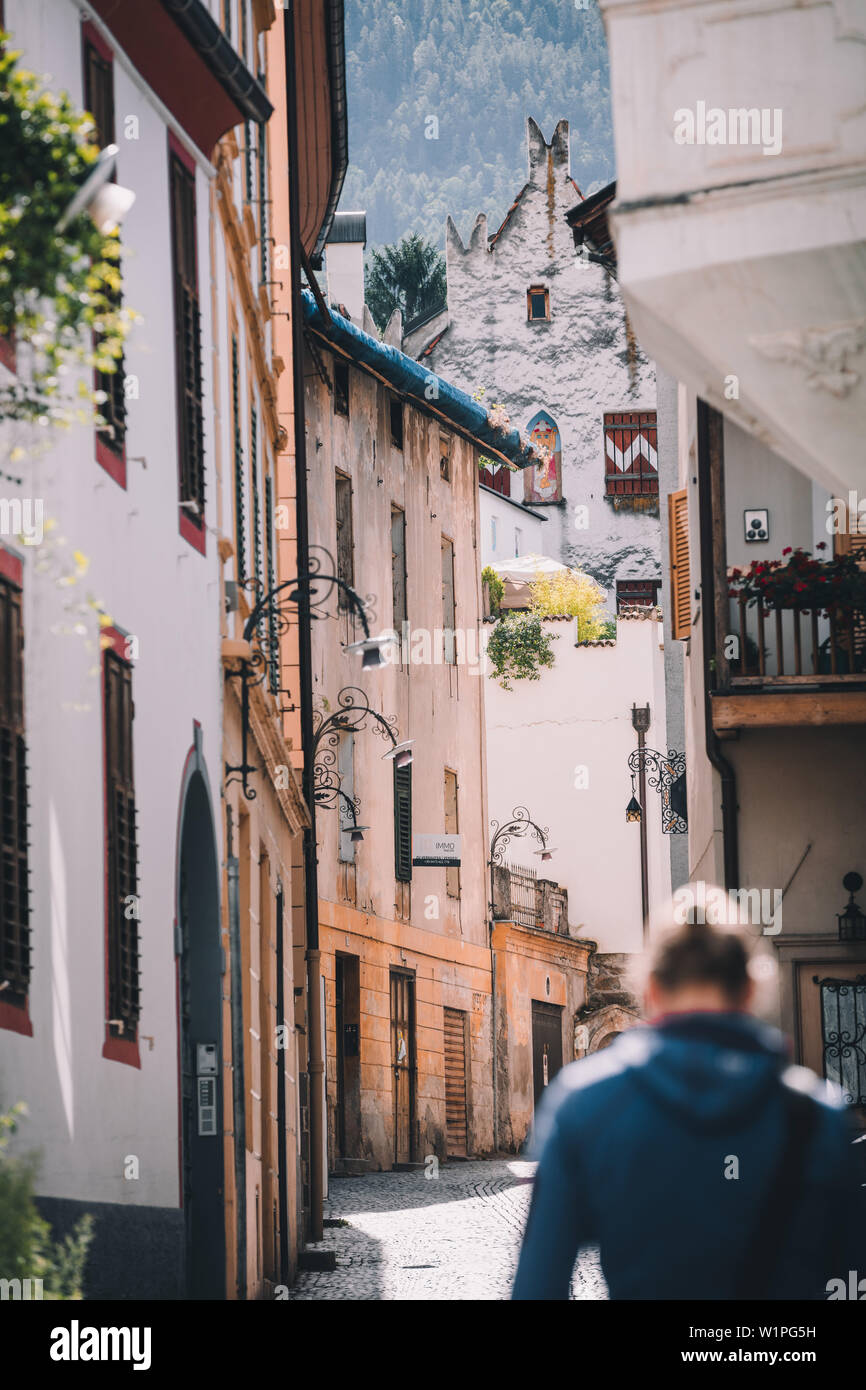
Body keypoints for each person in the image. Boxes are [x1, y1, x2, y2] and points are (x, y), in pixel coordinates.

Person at [511, 917, 865, 1300]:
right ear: (749, 990)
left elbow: (538, 1284)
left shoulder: (585, 1104)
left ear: (650, 990)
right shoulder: (819, 1116)